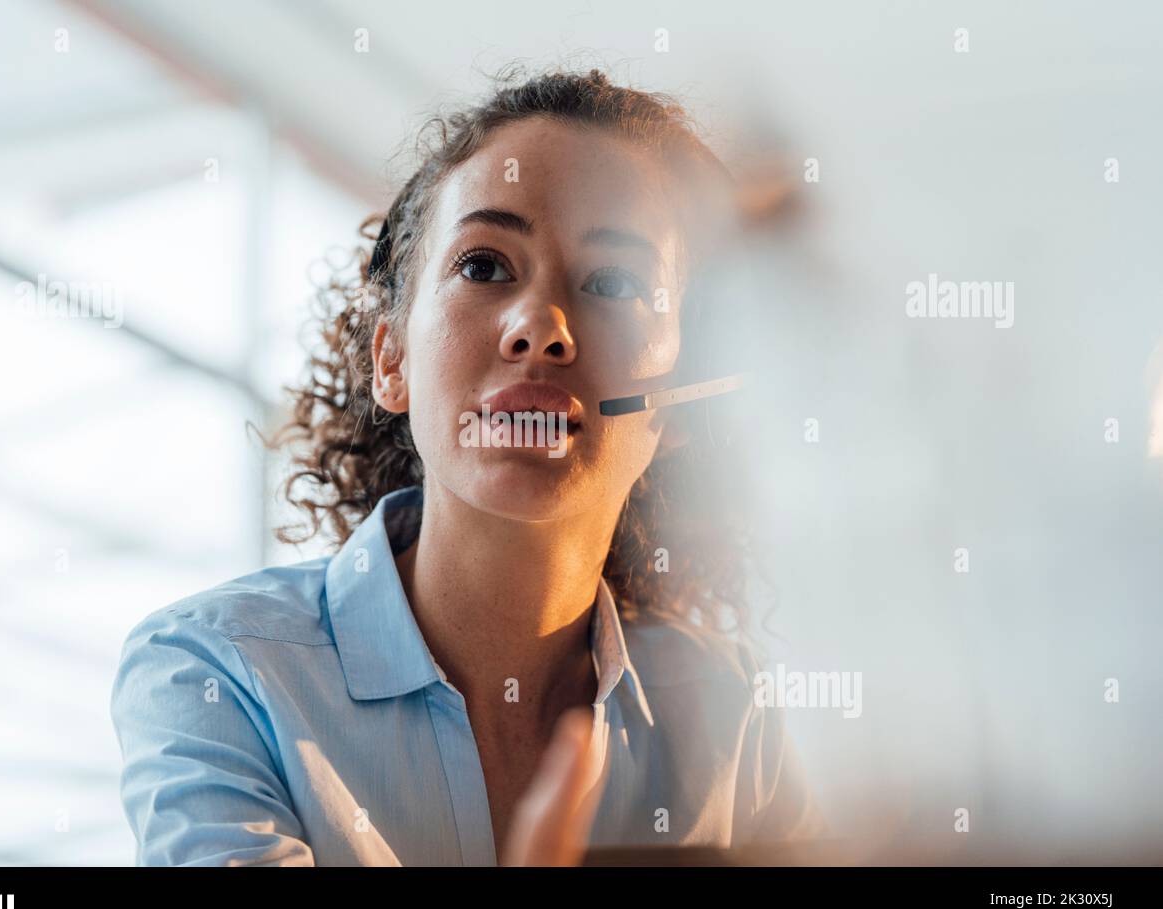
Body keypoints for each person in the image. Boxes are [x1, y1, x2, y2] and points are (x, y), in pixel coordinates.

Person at [110, 65, 826, 866]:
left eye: (615, 281)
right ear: (391, 360)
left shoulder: (734, 716)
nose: (541, 326)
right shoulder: (218, 672)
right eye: (485, 266)